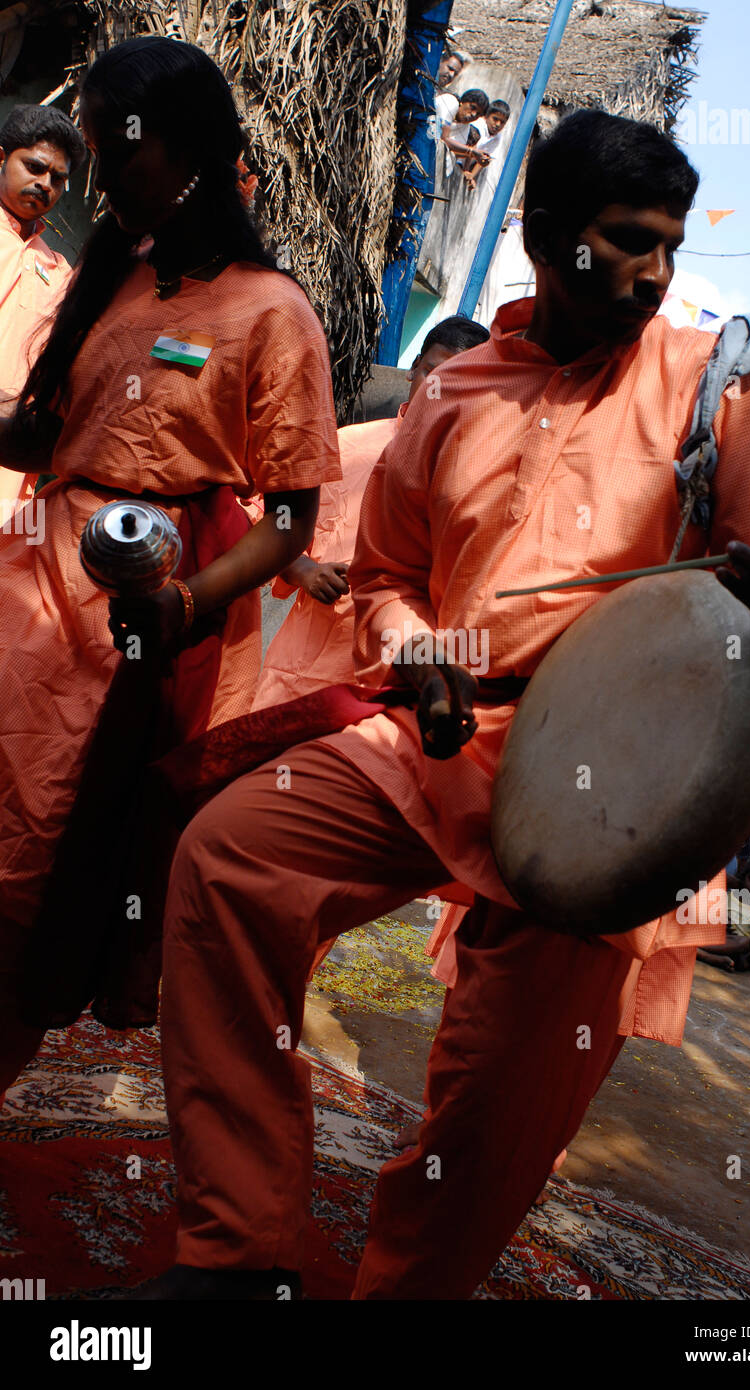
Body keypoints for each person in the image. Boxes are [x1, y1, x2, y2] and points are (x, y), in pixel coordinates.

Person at [139, 109, 750, 1303]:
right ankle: (239, 1253)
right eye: (627, 240)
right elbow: (389, 579)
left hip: (612, 785)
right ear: (550, 236)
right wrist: (416, 650)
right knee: (229, 860)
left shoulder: (717, 385)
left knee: (501, 1108)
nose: (656, 272)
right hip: (437, 741)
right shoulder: (454, 387)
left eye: (668, 244)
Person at [0, 37, 340, 1092]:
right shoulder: (116, 278)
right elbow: (51, 438)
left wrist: (188, 600)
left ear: (195, 148)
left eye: (123, 154)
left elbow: (289, 521)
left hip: (136, 631)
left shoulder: (270, 311)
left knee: (40, 880)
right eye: (97, 154)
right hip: (26, 594)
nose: (104, 182)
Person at [253, 314, 490, 708]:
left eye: (459, 382)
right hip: (301, 670)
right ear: (413, 369)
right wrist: (304, 570)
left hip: (398, 683)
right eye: (431, 373)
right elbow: (263, 516)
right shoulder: (345, 448)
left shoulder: (481, 478)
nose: (440, 391)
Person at [0, 104, 85, 506]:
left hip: (9, 466)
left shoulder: (59, 270)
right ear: (1, 159)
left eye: (58, 178)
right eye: (34, 167)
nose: (44, 183)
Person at [695, 856, 750, 972]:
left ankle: (698, 952)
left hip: (743, 951)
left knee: (745, 944)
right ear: (743, 877)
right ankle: (703, 953)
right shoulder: (728, 897)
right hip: (720, 940)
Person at [463, 100, 511, 192]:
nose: (497, 125)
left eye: (502, 122)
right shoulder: (478, 125)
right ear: (486, 116)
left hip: (467, 166)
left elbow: (484, 159)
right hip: (459, 160)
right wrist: (466, 170)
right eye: (495, 119)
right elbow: (471, 147)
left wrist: (471, 176)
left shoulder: (497, 137)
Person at [440, 89, 490, 178]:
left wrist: (477, 157)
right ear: (463, 102)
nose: (473, 114)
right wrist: (472, 151)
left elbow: (452, 150)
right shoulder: (450, 102)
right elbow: (444, 138)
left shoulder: (465, 128)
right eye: (472, 107)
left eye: (478, 114)